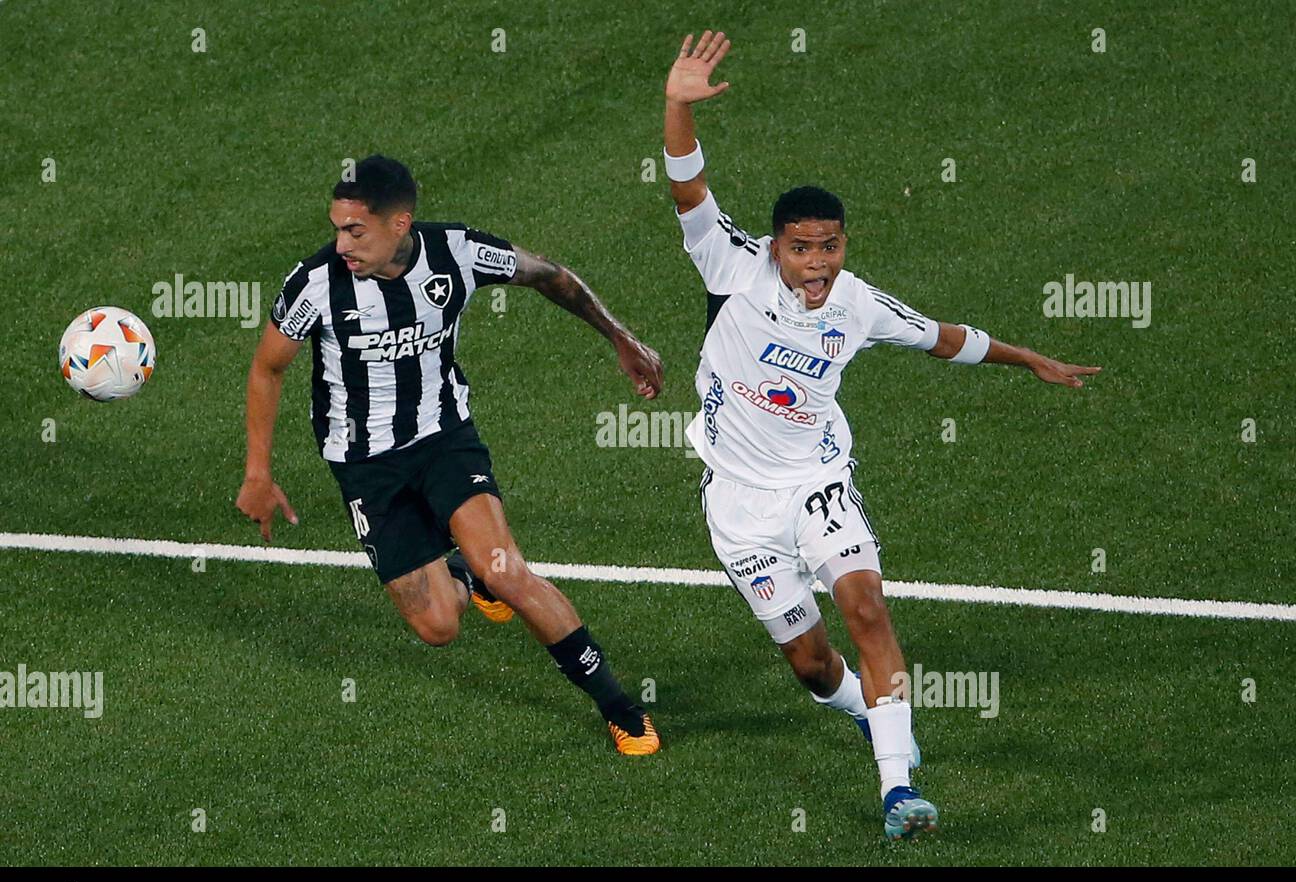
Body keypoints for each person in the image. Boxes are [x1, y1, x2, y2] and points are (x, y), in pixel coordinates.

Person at [663, 32, 1102, 836]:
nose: (817, 263)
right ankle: (864, 710)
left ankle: (898, 789)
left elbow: (943, 337)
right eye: (802, 249)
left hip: (817, 485)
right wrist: (678, 105)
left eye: (829, 246)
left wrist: (1029, 357)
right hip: (737, 505)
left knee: (866, 609)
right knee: (811, 663)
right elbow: (689, 190)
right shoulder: (731, 269)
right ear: (776, 247)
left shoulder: (857, 303)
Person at [236, 155, 665, 755]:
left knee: (507, 570)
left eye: (355, 230)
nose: (341, 244)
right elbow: (268, 367)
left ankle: (619, 706)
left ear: (400, 223)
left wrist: (618, 334)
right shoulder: (315, 284)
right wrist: (259, 472)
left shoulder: (456, 253)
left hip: (444, 439)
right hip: (364, 465)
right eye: (336, 228)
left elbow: (549, 276)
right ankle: (463, 574)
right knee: (438, 627)